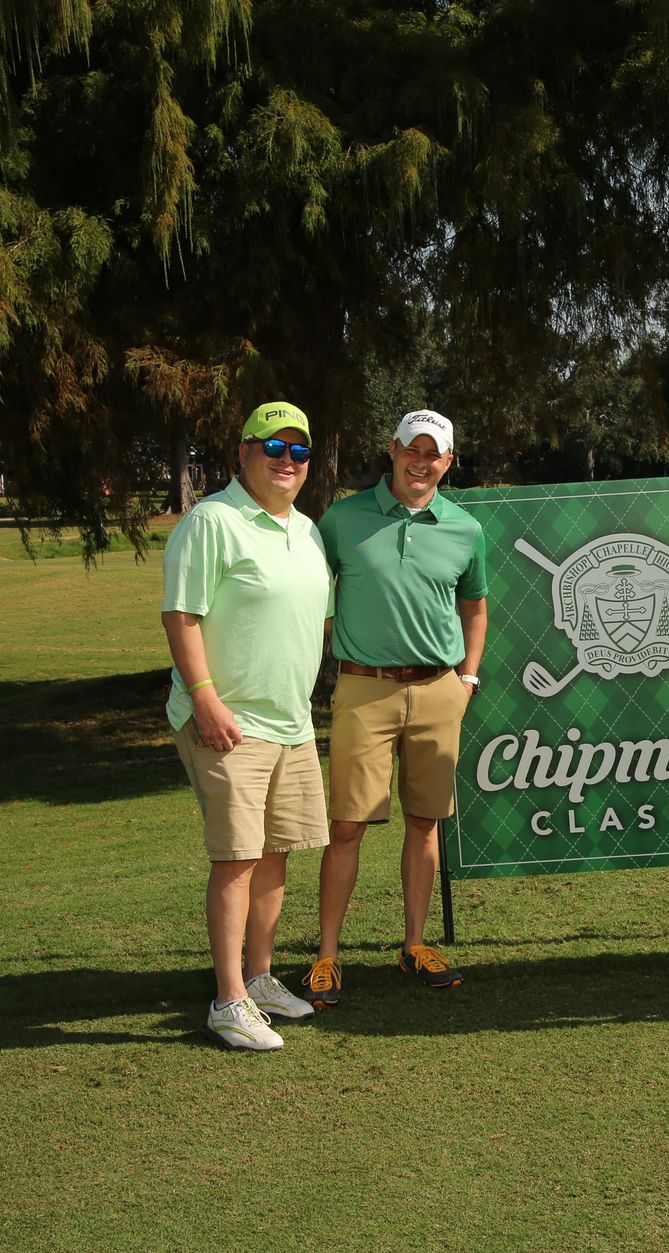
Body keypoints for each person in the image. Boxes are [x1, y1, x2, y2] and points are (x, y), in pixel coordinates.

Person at [299, 409, 488, 1003]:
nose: (422, 461)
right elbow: (307, 588)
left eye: (435, 453)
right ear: (394, 449)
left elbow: (475, 607)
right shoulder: (344, 517)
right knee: (348, 825)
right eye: (413, 449)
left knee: (425, 822)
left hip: (439, 690)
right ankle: (327, 956)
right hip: (364, 689)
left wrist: (468, 678)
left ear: (448, 462)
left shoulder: (464, 528)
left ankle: (413, 945)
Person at [162, 401, 332, 1051]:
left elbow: (313, 619)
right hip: (226, 722)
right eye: (273, 448)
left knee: (275, 853)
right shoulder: (212, 522)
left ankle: (259, 978)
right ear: (243, 453)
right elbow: (181, 616)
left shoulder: (307, 531)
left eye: (299, 451)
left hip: (289, 723)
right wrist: (205, 698)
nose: (286, 462)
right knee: (236, 859)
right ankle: (229, 1000)